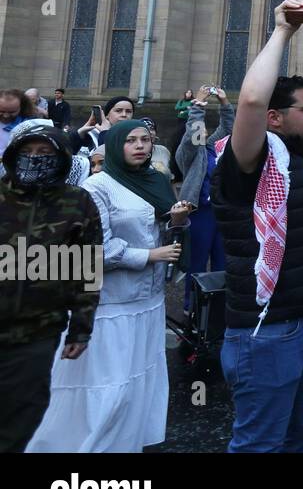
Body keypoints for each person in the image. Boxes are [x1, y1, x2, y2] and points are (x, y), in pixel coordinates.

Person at [212, 0, 303, 454]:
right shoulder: (249, 159)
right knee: (260, 445)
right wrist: (284, 29)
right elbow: (250, 98)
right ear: (274, 118)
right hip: (268, 331)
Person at [28, 120, 191, 452]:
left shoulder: (155, 180)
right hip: (112, 303)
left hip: (148, 300)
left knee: (136, 383)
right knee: (110, 385)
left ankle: (125, 443)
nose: (140, 146)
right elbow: (95, 247)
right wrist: (148, 255)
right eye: (131, 140)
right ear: (116, 146)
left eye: (146, 139)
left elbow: (159, 228)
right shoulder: (96, 187)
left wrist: (176, 221)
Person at [0, 123, 102, 453]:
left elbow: (87, 271)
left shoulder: (77, 202)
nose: (34, 158)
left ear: (60, 159)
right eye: (27, 152)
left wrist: (80, 329)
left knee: (20, 418)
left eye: (44, 153)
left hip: (36, 334)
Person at [175, 84, 234, 311]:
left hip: (222, 214)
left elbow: (228, 128)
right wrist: (197, 105)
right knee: (196, 265)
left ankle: (219, 314)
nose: (205, 131)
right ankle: (192, 311)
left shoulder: (214, 148)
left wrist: (224, 102)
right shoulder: (190, 152)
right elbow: (193, 135)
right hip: (199, 214)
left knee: (223, 266)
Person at [0, 89, 39, 154]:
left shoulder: (30, 125)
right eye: (1, 111)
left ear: (22, 107)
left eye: (12, 112)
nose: (6, 116)